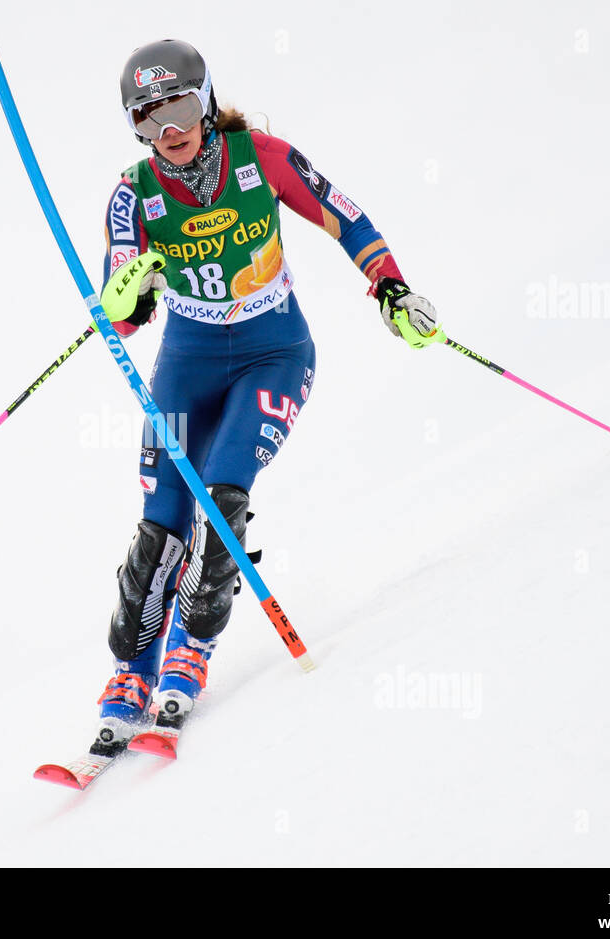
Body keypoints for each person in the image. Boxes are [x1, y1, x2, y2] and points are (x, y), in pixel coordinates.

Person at [93, 39, 442, 749]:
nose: (170, 130)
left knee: (221, 499)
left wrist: (391, 286)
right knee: (161, 521)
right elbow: (126, 316)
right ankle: (132, 668)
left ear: (208, 100)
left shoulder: (260, 156)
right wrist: (128, 295)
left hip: (274, 356)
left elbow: (346, 216)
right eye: (148, 119)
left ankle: (190, 651)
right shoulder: (133, 197)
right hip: (186, 365)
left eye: (183, 107)